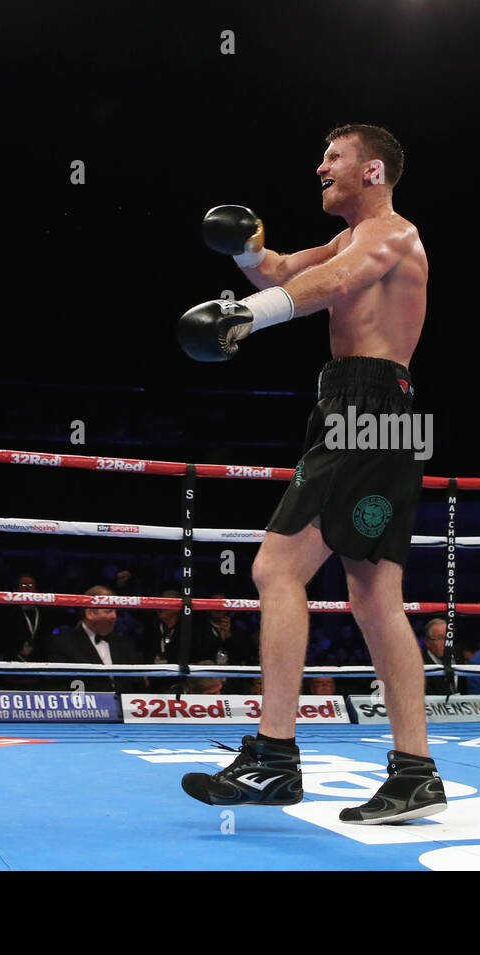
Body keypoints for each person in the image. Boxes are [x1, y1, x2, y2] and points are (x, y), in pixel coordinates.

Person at [178, 124, 443, 823]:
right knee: (375, 597)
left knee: (276, 568)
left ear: (374, 171)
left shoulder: (393, 232)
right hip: (379, 410)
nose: (319, 167)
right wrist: (247, 253)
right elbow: (293, 268)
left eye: (335, 158)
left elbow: (332, 284)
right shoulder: (352, 236)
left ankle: (274, 756)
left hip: (366, 405)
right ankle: (415, 771)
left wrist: (246, 317)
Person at [43, 586, 141, 693]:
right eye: (109, 611)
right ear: (90, 613)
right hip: (85, 707)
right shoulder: (63, 643)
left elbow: (138, 684)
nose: (114, 616)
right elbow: (59, 686)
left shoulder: (125, 643)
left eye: (115, 611)